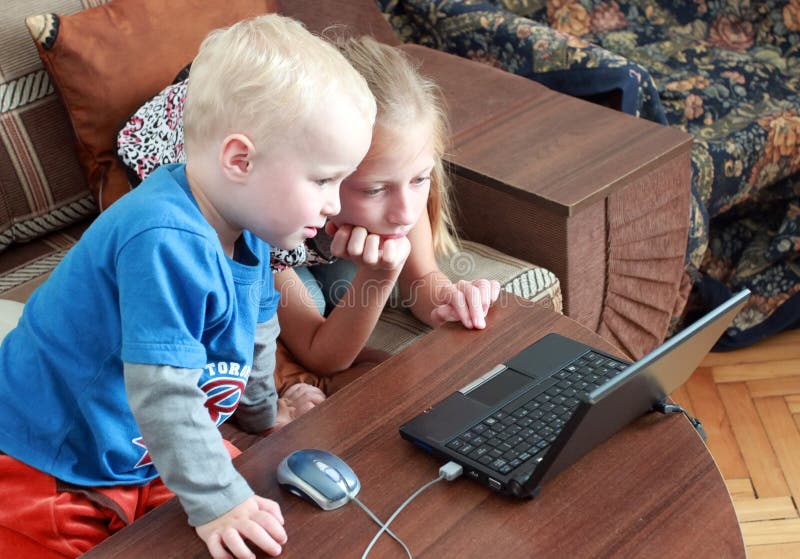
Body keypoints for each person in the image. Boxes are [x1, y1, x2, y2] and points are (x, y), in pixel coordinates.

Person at [0, 14, 375, 559]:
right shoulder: (163, 240)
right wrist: (219, 501)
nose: (335, 203)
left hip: (140, 444)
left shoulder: (249, 231)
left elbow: (255, 337)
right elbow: (163, 390)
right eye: (322, 179)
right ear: (240, 160)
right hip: (52, 458)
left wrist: (264, 423)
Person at [117, 35, 501, 397]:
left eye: (420, 179)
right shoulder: (267, 206)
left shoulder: (398, 172)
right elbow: (322, 355)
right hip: (183, 149)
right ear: (327, 173)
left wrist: (451, 301)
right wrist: (380, 274)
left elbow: (421, 281)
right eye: (374, 190)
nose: (405, 211)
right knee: (317, 300)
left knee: (348, 281)